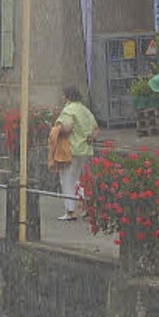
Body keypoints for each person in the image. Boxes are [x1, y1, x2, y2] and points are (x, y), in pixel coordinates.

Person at [53, 85, 98, 221]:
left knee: (67, 180)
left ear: (67, 96)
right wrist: (88, 137)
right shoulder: (85, 110)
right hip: (85, 150)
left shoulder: (68, 110)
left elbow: (67, 127)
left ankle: (70, 211)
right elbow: (96, 130)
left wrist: (56, 130)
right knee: (79, 180)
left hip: (70, 150)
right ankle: (87, 205)